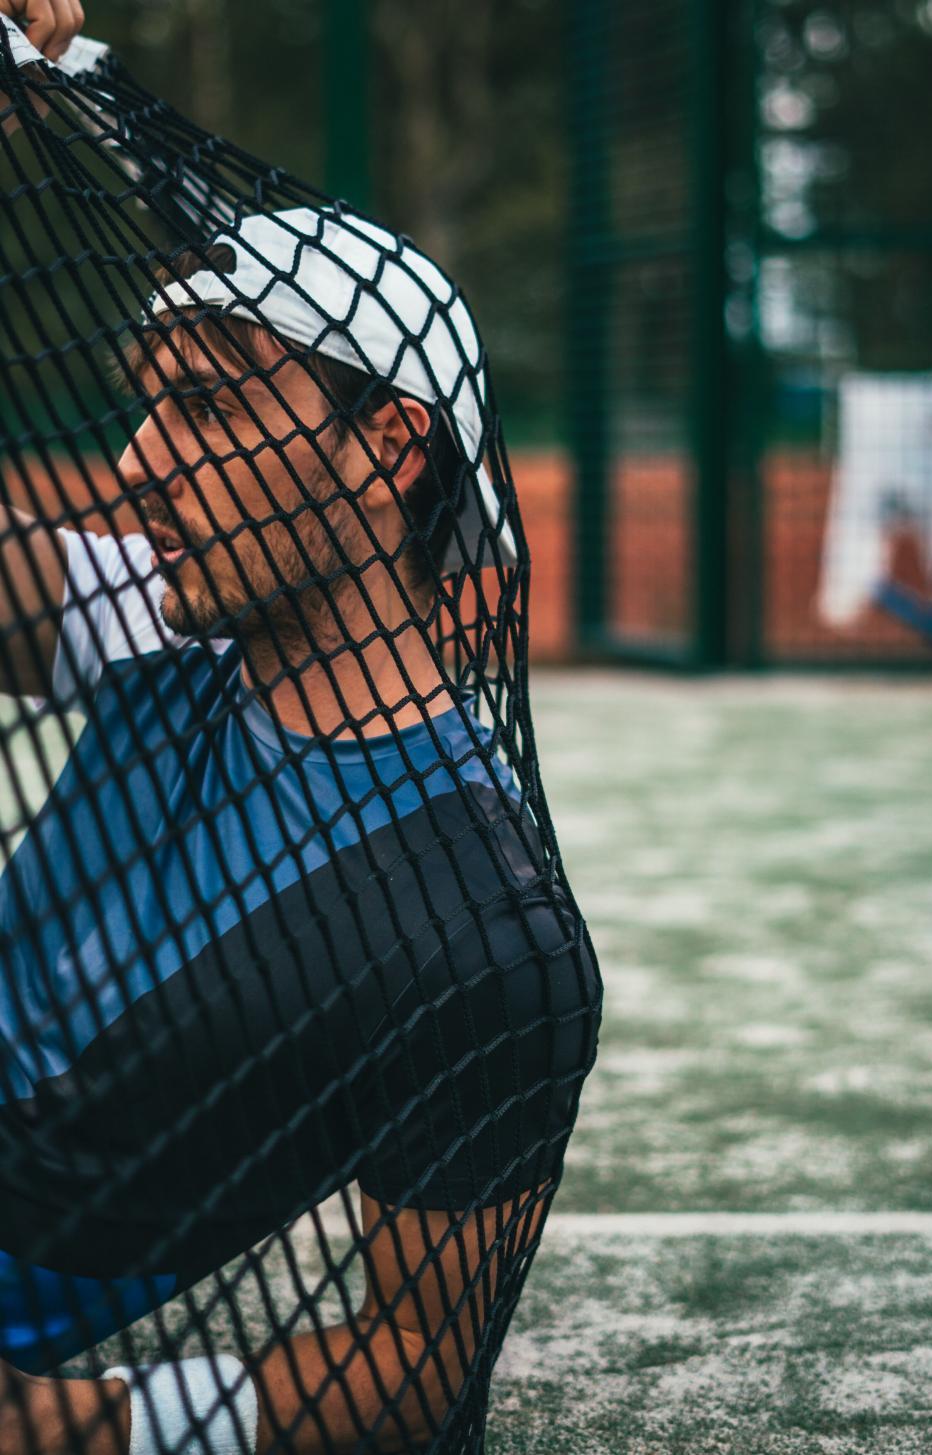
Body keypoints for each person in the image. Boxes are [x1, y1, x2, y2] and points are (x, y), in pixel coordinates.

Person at [0, 4, 602, 1453]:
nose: (136, 464)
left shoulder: (483, 941)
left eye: (203, 411)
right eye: (147, 409)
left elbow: (412, 1369)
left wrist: (62, 1428)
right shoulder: (163, 620)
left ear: (385, 447)